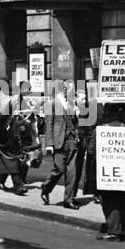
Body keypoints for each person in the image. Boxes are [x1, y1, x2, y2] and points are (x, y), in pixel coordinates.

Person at [96, 103, 125, 241]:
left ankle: (115, 231)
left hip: (107, 171)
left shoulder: (101, 130)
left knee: (109, 200)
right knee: (123, 200)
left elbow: (91, 150)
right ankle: (124, 228)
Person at [40, 80, 82, 209]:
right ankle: (46, 188)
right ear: (63, 89)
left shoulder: (71, 104)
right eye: (70, 90)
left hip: (72, 141)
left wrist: (76, 114)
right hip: (58, 141)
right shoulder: (51, 103)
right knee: (59, 169)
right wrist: (49, 143)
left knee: (72, 172)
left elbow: (74, 123)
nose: (72, 92)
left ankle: (68, 200)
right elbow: (49, 125)